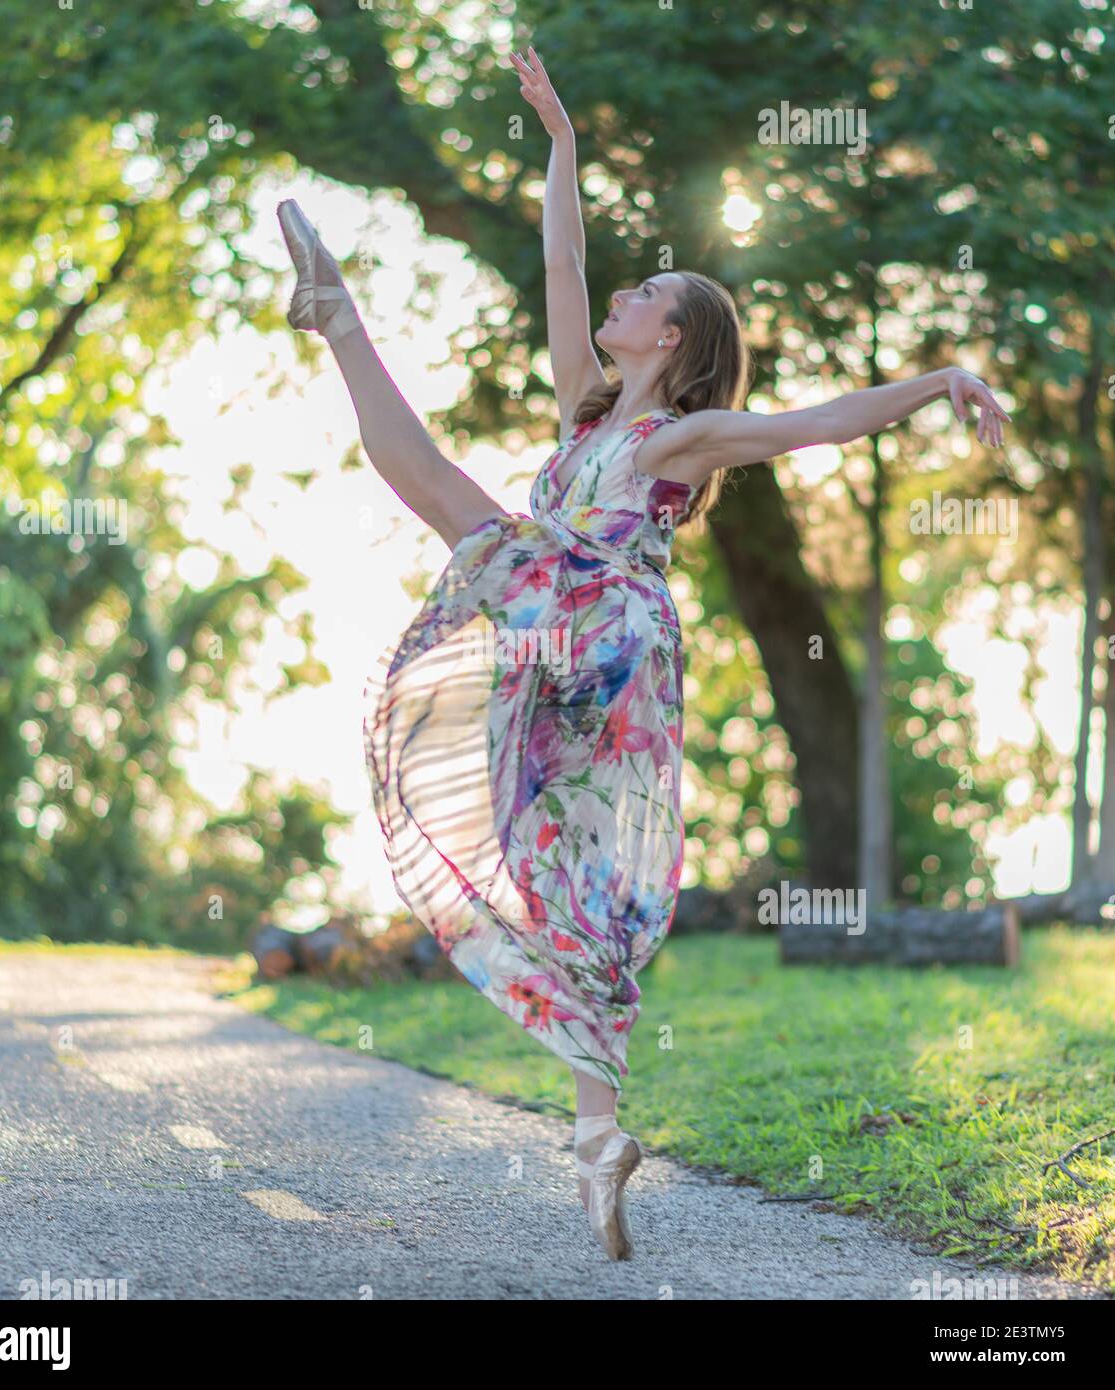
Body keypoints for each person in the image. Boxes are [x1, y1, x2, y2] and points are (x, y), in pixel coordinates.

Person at [274, 46, 1009, 1261]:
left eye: (645, 293)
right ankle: (596, 1138)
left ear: (673, 336)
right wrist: (560, 141)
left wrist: (941, 376)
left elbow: (818, 423)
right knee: (568, 886)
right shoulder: (582, 411)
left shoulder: (678, 436)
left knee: (449, 499)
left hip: (597, 613)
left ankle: (338, 316)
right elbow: (560, 261)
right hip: (561, 644)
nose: (618, 296)